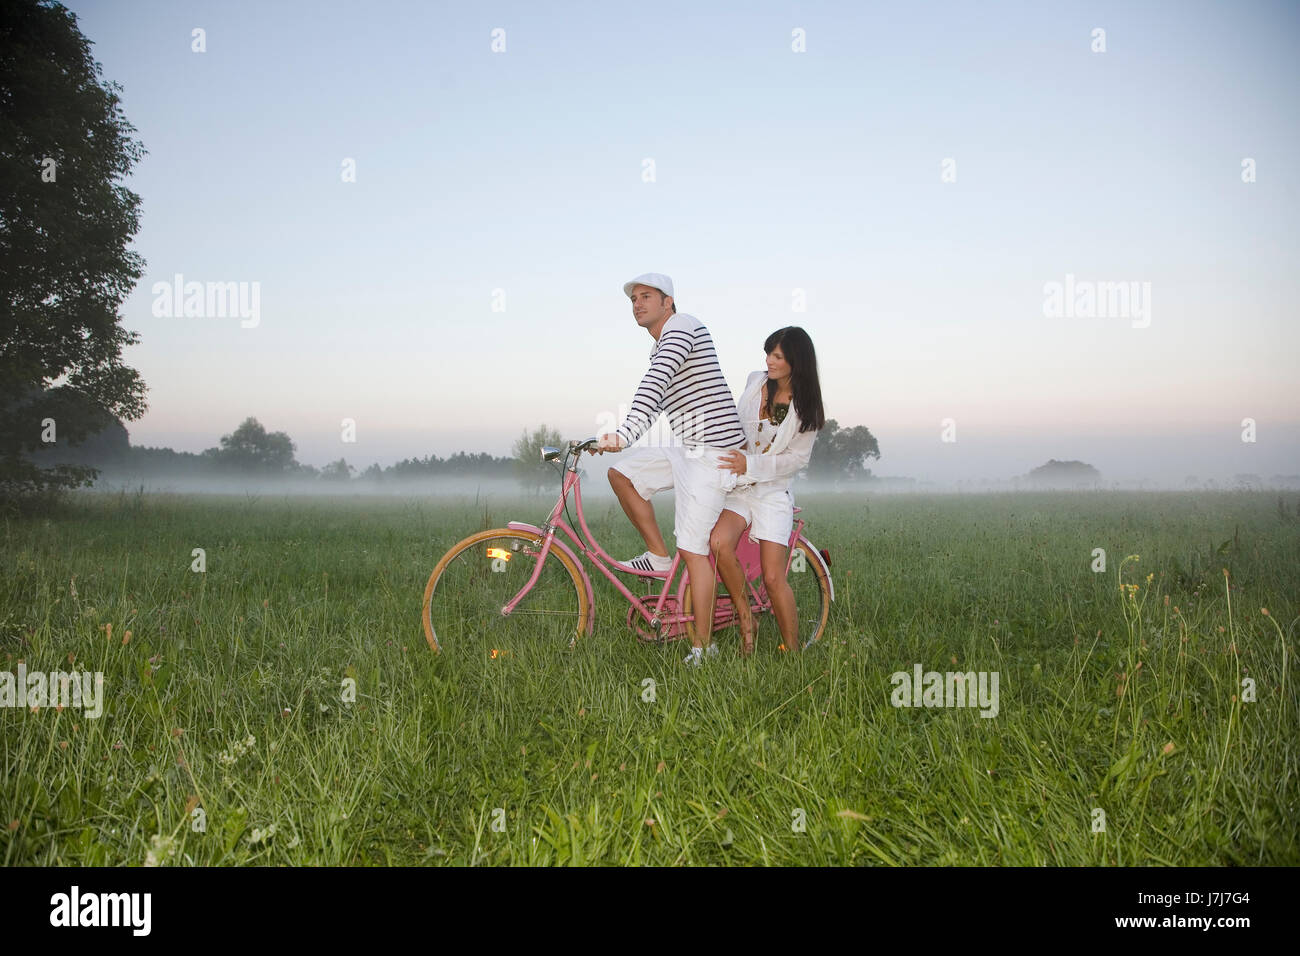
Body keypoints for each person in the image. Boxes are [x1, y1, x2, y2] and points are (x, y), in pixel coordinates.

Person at [592, 273, 748, 666]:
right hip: (690, 450)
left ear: (668, 302)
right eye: (633, 299)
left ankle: (704, 648)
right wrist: (612, 442)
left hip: (715, 453)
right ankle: (659, 557)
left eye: (647, 296)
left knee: (694, 549)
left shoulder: (683, 327)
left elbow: (655, 383)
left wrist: (624, 432)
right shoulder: (663, 345)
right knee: (623, 475)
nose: (638, 303)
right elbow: (658, 394)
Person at [711, 327, 825, 657]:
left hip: (773, 492)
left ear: (796, 362)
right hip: (741, 488)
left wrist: (752, 466)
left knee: (774, 578)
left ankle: (792, 653)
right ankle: (746, 618)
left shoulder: (806, 408)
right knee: (717, 543)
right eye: (768, 353)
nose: (768, 361)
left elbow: (795, 460)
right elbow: (735, 425)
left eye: (777, 356)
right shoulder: (755, 382)